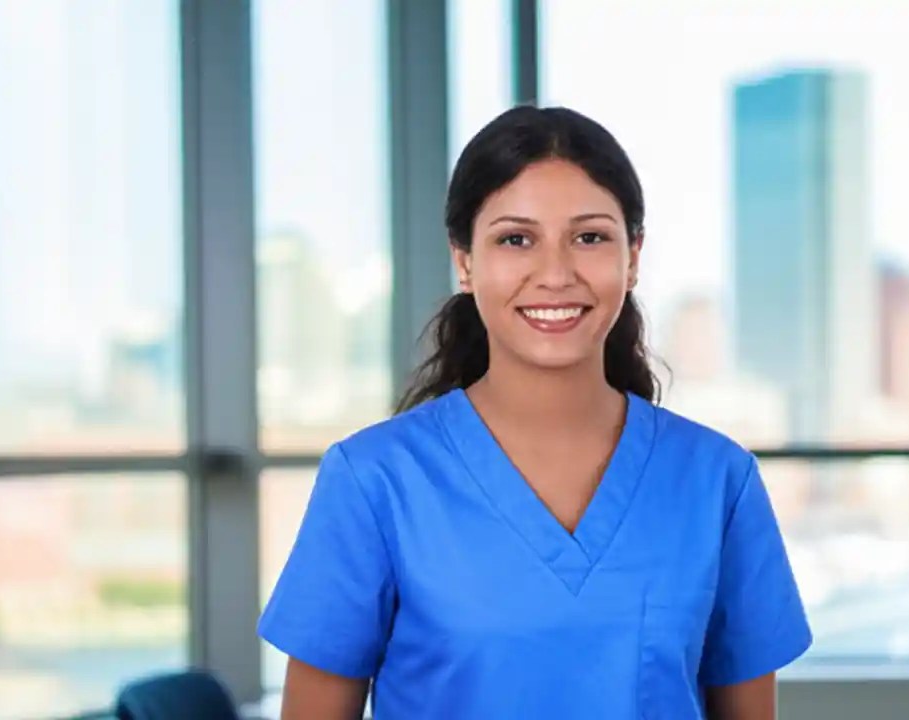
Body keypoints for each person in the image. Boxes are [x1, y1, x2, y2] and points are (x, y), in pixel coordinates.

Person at [258, 105, 812, 719]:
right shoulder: (373, 482)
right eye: (516, 239)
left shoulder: (717, 482)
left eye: (590, 237)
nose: (555, 273)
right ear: (465, 262)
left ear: (633, 257)